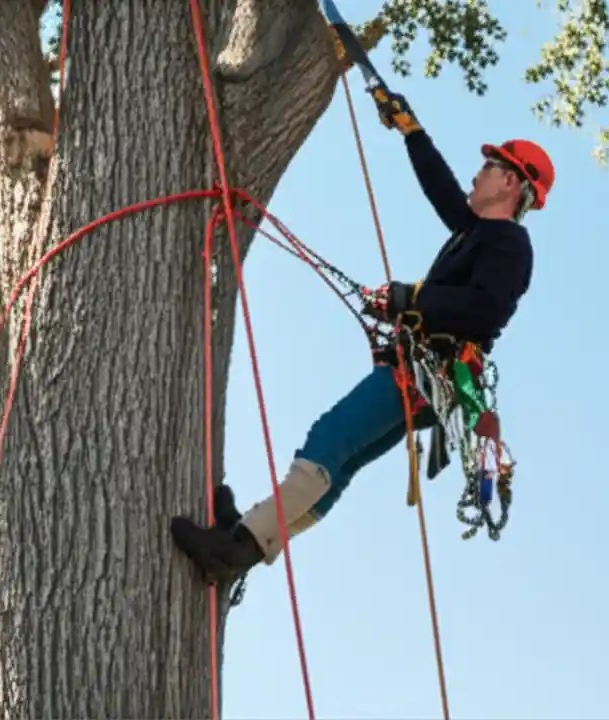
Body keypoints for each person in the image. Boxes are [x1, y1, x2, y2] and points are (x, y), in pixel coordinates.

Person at [169, 87, 555, 582]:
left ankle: (238, 547)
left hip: (427, 374)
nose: (475, 175)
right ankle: (250, 534)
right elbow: (441, 189)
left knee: (330, 438)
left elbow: (485, 309)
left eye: (487, 168)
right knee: (343, 461)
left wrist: (408, 299)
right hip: (419, 372)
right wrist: (411, 131)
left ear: (508, 181)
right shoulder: (476, 233)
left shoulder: (510, 243)